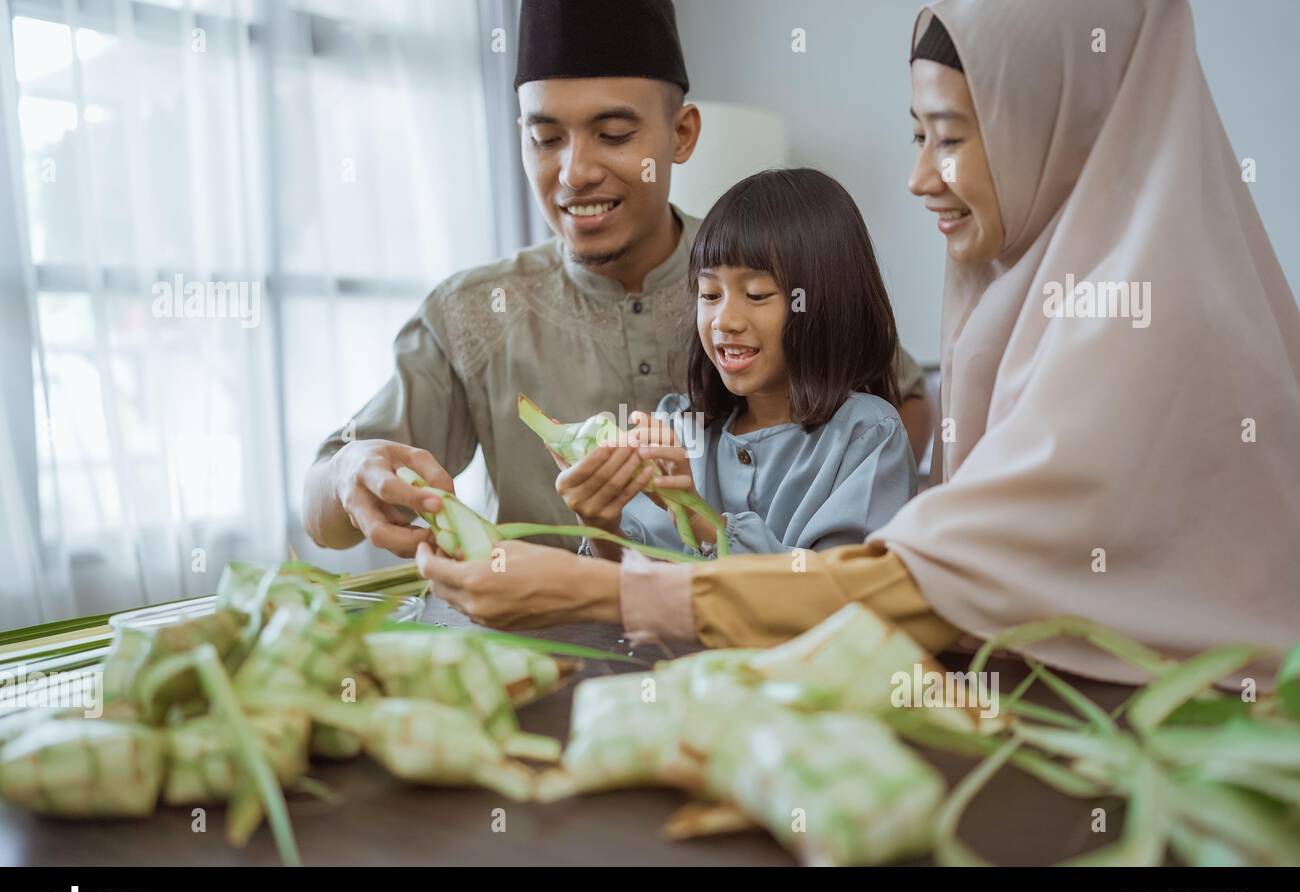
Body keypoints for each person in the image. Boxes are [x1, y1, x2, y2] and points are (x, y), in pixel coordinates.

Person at [418, 0, 1300, 687]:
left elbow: (911, 588)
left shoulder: (1132, 325)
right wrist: (614, 536)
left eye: (950, 139)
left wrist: (591, 589)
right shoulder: (1026, 298)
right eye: (920, 135)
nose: (919, 177)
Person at [302, 0, 930, 560]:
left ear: (680, 134)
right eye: (545, 138)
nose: (575, 173)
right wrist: (349, 472)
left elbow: (897, 402)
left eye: (614, 135)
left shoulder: (774, 263)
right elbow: (323, 517)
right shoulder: (471, 312)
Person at [561, 168, 915, 560]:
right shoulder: (678, 427)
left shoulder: (866, 436)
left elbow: (840, 594)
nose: (724, 321)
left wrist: (698, 518)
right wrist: (599, 521)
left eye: (757, 294)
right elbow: (625, 590)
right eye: (710, 294)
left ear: (823, 303)